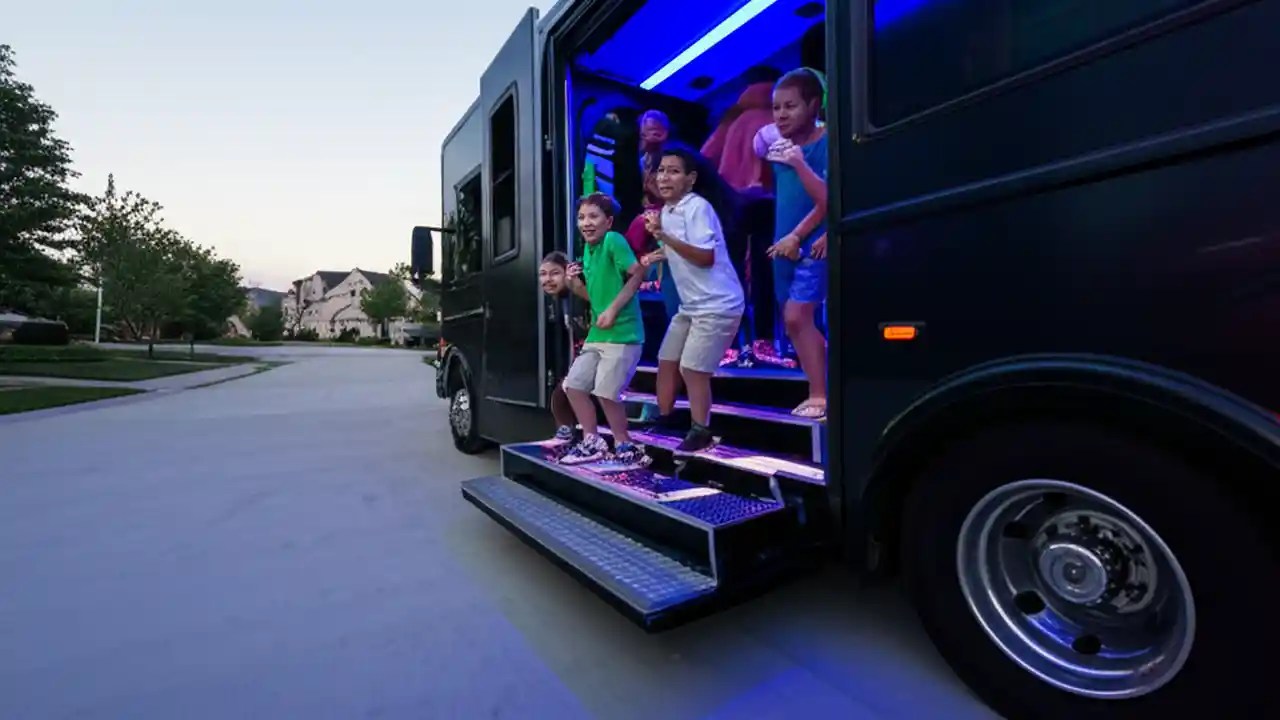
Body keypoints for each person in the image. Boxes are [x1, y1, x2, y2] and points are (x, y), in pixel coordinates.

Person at [639, 148, 746, 454]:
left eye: (673, 171)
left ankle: (702, 431)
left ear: (691, 179)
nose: (664, 177)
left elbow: (705, 257)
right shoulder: (668, 212)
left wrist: (664, 236)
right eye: (661, 170)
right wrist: (656, 253)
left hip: (717, 304)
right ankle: (666, 418)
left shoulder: (696, 207)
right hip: (692, 306)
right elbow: (679, 251)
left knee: (693, 369)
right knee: (666, 359)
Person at [559, 193, 650, 468]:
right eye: (581, 217)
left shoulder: (613, 241)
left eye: (593, 216)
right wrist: (576, 287)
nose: (586, 223)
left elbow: (637, 273)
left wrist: (612, 311)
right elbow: (597, 297)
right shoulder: (588, 249)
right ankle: (592, 441)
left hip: (623, 334)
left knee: (606, 392)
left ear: (608, 221)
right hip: (598, 336)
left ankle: (625, 446)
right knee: (574, 386)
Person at [764, 68, 830, 420]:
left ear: (814, 105)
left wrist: (799, 163)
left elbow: (829, 200)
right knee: (794, 322)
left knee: (797, 315)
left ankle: (819, 394)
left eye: (790, 106)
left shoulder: (826, 142)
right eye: (776, 108)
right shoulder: (780, 148)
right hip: (785, 245)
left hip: (815, 243)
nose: (781, 115)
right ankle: (819, 385)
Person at [539, 251, 591, 445]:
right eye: (543, 274)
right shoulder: (560, 300)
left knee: (564, 391)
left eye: (554, 273)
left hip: (602, 349)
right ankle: (567, 434)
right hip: (584, 353)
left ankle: (578, 437)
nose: (547, 279)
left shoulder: (579, 291)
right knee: (561, 391)